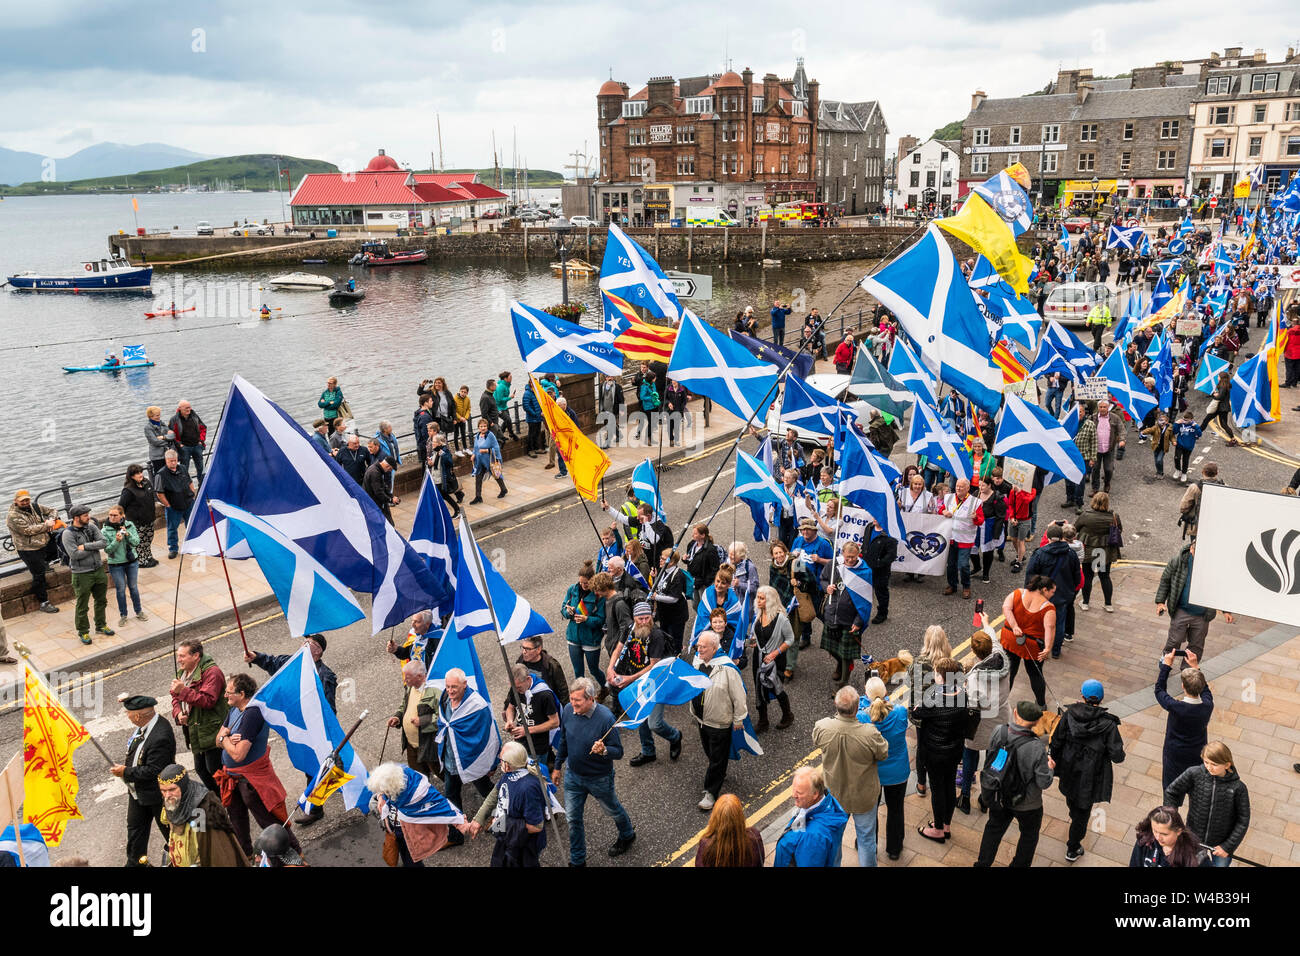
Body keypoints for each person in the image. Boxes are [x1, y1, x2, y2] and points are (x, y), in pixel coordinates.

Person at [245, 633, 337, 825]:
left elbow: (329, 709)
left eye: (309, 643)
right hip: (298, 726)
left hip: (314, 729)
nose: (304, 644)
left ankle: (316, 808)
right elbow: (273, 662)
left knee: (316, 768)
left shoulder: (325, 675)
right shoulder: (293, 663)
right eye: (304, 641)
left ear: (318, 651)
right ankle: (333, 779)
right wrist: (257, 657)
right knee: (318, 766)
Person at [216, 672, 303, 859]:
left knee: (269, 821)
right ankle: (246, 856)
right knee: (237, 820)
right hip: (233, 779)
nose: (225, 696)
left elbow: (239, 755)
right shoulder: (233, 710)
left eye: (229, 692)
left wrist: (225, 739)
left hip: (251, 782)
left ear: (241, 694)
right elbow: (217, 739)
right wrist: (227, 739)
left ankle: (295, 855)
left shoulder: (252, 714)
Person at [551, 677, 636, 866]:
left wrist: (604, 750)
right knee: (573, 819)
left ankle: (628, 834)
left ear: (591, 699)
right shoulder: (567, 710)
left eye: (577, 701)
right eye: (571, 700)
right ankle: (578, 860)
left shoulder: (606, 719)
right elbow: (564, 740)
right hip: (573, 777)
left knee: (613, 810)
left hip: (599, 779)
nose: (573, 705)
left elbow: (619, 752)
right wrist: (557, 767)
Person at [1050, 679, 1126, 862]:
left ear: (1082, 696)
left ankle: (1074, 820)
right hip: (1092, 775)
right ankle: (1073, 847)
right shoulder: (1109, 725)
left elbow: (1056, 742)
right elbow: (1118, 756)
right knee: (1082, 812)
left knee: (1072, 801)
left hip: (1069, 769)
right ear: (1101, 699)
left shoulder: (1069, 716)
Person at [973, 700, 1056, 867]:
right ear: (1037, 722)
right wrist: (1051, 768)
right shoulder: (1037, 747)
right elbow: (1043, 782)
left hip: (999, 794)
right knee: (1029, 836)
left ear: (1016, 713)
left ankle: (982, 864)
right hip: (1027, 803)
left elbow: (993, 758)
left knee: (993, 829)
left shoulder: (999, 731)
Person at [813, 685, 889, 867]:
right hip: (864, 796)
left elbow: (816, 741)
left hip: (836, 796)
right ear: (857, 708)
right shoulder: (869, 733)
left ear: (836, 705)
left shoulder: (822, 727)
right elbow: (883, 753)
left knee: (834, 840)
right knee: (867, 840)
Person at [912, 657, 978, 844]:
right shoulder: (963, 695)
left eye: (935, 672)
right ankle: (946, 825)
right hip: (955, 750)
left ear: (940, 678)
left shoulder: (934, 699)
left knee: (937, 789)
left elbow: (916, 712)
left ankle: (938, 829)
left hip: (935, 753)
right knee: (949, 786)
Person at [611, 602, 683, 765]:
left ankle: (675, 736)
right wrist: (610, 669)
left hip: (655, 682)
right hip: (638, 680)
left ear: (651, 617)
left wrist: (629, 679)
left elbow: (653, 665)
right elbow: (618, 648)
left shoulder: (656, 635)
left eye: (647, 618)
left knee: (654, 723)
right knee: (640, 716)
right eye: (640, 618)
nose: (643, 621)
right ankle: (648, 751)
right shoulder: (630, 629)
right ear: (634, 618)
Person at [110, 694, 175, 867]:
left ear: (138, 716)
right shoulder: (144, 727)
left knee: (172, 834)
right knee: (135, 833)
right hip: (138, 793)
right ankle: (135, 863)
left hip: (157, 795)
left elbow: (154, 770)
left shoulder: (160, 735)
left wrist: (126, 772)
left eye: (128, 713)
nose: (127, 716)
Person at [1164, 741, 1251, 868]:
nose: (1209, 767)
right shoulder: (1194, 774)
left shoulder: (1238, 788)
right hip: (1193, 837)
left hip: (1222, 843)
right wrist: (1172, 820)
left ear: (1227, 764)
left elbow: (1243, 820)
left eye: (1214, 764)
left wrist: (1228, 846)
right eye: (1206, 762)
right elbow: (1171, 792)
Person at [368, 762, 467, 866]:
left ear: (393, 787)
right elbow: (382, 792)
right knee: (407, 861)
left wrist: (462, 824)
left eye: (385, 791)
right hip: (398, 834)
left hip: (411, 836)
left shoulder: (418, 794)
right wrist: (380, 796)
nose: (384, 793)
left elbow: (442, 806)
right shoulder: (390, 789)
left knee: (412, 863)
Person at [691, 629, 748, 811]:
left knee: (716, 757)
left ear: (715, 648)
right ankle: (719, 773)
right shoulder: (697, 660)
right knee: (710, 753)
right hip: (701, 720)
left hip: (720, 722)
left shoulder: (728, 668)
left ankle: (711, 791)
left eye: (703, 647)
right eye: (698, 645)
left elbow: (739, 696)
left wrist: (739, 719)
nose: (699, 649)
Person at [467, 741, 548, 867]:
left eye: (501, 760)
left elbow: (536, 826)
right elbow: (494, 795)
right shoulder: (508, 775)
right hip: (508, 837)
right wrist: (479, 819)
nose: (499, 762)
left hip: (523, 846)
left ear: (508, 765)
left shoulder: (528, 789)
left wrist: (500, 824)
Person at [157, 764, 249, 867]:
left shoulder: (202, 807)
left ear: (183, 786)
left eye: (172, 789)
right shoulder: (172, 800)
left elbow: (207, 845)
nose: (167, 795)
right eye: (163, 791)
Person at [1156, 539, 1234, 661]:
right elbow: (1165, 580)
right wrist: (1160, 602)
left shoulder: (1215, 565)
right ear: (1192, 549)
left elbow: (1220, 587)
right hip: (1181, 609)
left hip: (1202, 614)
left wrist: (1226, 610)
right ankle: (1165, 661)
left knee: (1196, 645)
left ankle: (1189, 671)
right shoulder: (1178, 561)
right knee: (1174, 640)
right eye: (1195, 551)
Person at [436, 669, 498, 819]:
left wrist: (492, 763)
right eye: (447, 686)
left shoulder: (477, 706)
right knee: (450, 795)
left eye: (454, 687)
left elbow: (488, 736)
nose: (450, 691)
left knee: (486, 790)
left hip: (471, 761)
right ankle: (457, 830)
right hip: (451, 761)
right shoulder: (444, 699)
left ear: (464, 684)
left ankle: (503, 817)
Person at [962, 626, 1012, 814]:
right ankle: (986, 797)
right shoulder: (1001, 658)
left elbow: (973, 704)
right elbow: (995, 639)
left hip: (981, 722)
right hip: (1001, 718)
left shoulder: (975, 677)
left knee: (970, 754)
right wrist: (987, 623)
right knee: (996, 758)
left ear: (974, 652)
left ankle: (965, 797)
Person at [170, 638, 229, 794]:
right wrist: (178, 714)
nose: (178, 660)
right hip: (196, 730)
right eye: (178, 656)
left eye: (182, 656)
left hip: (212, 730)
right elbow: (175, 696)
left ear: (196, 656)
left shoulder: (212, 673)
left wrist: (183, 691)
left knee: (215, 771)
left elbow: (208, 700)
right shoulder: (183, 671)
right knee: (201, 769)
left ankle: (228, 801)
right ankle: (219, 800)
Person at [861, 676, 909, 860]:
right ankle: (894, 848)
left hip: (873, 773)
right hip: (898, 772)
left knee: (870, 812)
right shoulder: (900, 712)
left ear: (866, 695)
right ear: (886, 693)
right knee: (896, 809)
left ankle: (869, 845)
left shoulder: (863, 717)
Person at [1155, 648, 1214, 789]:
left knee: (1170, 791)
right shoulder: (1207, 705)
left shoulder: (1175, 707)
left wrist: (1166, 666)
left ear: (1183, 686)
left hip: (1174, 755)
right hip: (1196, 754)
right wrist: (1195, 667)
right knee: (1195, 791)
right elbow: (1205, 689)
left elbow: (1159, 690)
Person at [999, 576, 1058, 708]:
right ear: (1044, 589)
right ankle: (1041, 704)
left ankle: (1001, 702)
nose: (1053, 595)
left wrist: (1014, 626)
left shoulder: (1017, 593)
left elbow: (1006, 608)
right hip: (1032, 647)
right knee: (1035, 675)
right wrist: (1048, 648)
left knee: (1009, 672)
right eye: (1052, 592)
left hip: (1011, 640)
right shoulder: (1049, 608)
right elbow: (1050, 628)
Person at [773, 765, 848, 867]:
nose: (793, 795)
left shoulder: (813, 838)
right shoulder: (825, 801)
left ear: (815, 794)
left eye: (799, 792)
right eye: (793, 789)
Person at [1023, 522, 1079, 659]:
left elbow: (1030, 575)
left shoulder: (1040, 553)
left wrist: (1029, 593)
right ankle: (1055, 651)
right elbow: (1076, 575)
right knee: (1058, 623)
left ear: (1048, 537)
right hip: (1062, 595)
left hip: (1042, 596)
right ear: (1061, 537)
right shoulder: (1071, 554)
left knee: (1040, 623)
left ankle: (1040, 648)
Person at [62, 505, 112, 644]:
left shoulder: (92, 527)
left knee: (101, 600)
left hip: (98, 570)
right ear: (76, 518)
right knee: (82, 605)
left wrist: (86, 546)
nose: (88, 517)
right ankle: (83, 632)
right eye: (85, 515)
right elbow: (74, 554)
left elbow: (104, 542)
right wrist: (94, 547)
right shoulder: (68, 534)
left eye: (88, 514)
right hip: (81, 574)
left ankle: (101, 626)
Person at [820, 541, 868, 683]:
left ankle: (843, 683)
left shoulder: (864, 572)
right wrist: (826, 588)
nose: (851, 560)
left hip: (850, 619)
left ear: (858, 554)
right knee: (833, 650)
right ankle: (840, 664)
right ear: (842, 554)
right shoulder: (834, 565)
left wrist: (859, 621)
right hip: (832, 615)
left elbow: (865, 601)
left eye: (853, 557)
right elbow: (822, 579)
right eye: (848, 557)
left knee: (847, 655)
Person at [7, 489, 61, 613]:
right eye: (22, 501)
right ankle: (44, 602)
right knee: (39, 575)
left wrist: (52, 519)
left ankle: (44, 563)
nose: (25, 502)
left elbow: (53, 510)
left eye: (27, 499)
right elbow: (27, 530)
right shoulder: (13, 516)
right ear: (15, 501)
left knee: (59, 547)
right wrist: (47, 525)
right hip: (28, 549)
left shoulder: (35, 506)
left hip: (43, 543)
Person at [748, 586, 794, 731]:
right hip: (759, 657)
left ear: (770, 600)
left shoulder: (781, 618)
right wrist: (755, 641)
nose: (758, 601)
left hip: (775, 660)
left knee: (776, 687)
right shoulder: (759, 613)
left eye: (762, 598)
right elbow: (759, 633)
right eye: (758, 597)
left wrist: (775, 653)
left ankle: (787, 715)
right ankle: (763, 721)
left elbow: (790, 639)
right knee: (758, 686)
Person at [388, 659, 442, 783]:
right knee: (417, 779)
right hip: (411, 745)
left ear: (419, 676)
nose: (405, 680)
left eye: (407, 677)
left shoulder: (435, 692)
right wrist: (397, 717)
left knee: (441, 772)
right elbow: (404, 705)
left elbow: (445, 718)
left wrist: (423, 721)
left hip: (429, 745)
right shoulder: (409, 688)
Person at [503, 663, 560, 766]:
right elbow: (511, 707)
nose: (516, 691)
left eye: (519, 688)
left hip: (538, 746)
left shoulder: (544, 695)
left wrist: (528, 730)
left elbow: (555, 722)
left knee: (535, 775)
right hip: (520, 741)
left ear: (528, 679)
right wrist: (510, 720)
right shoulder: (515, 688)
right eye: (514, 688)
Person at [1075, 491, 1120, 612]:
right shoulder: (1113, 516)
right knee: (1105, 576)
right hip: (1103, 551)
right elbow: (1119, 529)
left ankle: (1085, 603)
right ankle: (1108, 604)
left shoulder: (1086, 515)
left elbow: (1075, 528)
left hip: (1089, 550)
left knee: (1088, 576)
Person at [940, 478, 985, 599]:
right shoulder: (949, 498)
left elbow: (980, 521)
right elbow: (940, 509)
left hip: (965, 539)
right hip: (950, 538)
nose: (958, 488)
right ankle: (952, 585)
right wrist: (944, 511)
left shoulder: (975, 502)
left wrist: (975, 517)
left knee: (963, 565)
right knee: (951, 564)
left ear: (968, 488)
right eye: (957, 486)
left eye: (961, 487)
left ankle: (966, 586)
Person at [102, 504, 145, 628]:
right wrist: (117, 541)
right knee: (120, 590)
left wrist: (128, 535)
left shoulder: (129, 525)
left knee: (133, 587)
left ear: (122, 516)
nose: (112, 517)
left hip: (131, 562)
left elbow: (136, 542)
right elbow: (108, 550)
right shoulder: (105, 530)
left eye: (115, 515)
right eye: (110, 515)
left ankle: (139, 611)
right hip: (115, 564)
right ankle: (123, 615)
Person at [1129, 806, 1213, 867]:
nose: (1157, 837)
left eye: (1164, 834)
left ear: (1178, 831)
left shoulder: (1197, 858)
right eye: (1155, 831)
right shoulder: (1146, 840)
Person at [695, 793, 764, 867]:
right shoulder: (754, 837)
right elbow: (760, 861)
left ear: (715, 817)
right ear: (740, 816)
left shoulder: (706, 844)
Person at [153, 449, 195, 559]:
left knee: (191, 525)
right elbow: (159, 493)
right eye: (171, 461)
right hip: (174, 507)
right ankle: (173, 548)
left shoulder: (183, 468)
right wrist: (168, 505)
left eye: (175, 460)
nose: (173, 463)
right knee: (172, 529)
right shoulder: (161, 474)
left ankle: (192, 545)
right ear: (166, 461)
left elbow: (190, 482)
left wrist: (193, 495)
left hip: (188, 502)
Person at [118, 465, 159, 568]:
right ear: (131, 476)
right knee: (139, 542)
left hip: (149, 518)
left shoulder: (147, 483)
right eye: (137, 473)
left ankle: (148, 556)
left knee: (148, 539)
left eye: (141, 472)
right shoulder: (128, 490)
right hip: (136, 522)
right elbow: (121, 506)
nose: (140, 474)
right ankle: (141, 560)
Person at [517, 634, 570, 704]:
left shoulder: (551, 665)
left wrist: (563, 711)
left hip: (547, 705)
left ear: (538, 649)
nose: (524, 652)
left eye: (528, 649)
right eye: (523, 648)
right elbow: (515, 684)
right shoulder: (521, 661)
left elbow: (563, 690)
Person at [863, 518, 898, 623]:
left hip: (881, 570)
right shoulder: (869, 527)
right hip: (866, 566)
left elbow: (891, 555)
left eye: (876, 516)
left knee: (881, 592)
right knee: (864, 590)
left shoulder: (890, 533)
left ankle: (882, 613)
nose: (873, 518)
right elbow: (865, 541)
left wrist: (878, 563)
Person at [1177, 462, 1224, 539]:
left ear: (1202, 472)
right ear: (1217, 473)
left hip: (1196, 525)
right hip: (1215, 524)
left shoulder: (1194, 487)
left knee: (1195, 547)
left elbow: (1183, 506)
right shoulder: (1223, 486)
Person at [469, 418, 508, 503]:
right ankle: (478, 497)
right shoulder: (478, 435)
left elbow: (497, 448)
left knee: (496, 475)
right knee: (478, 477)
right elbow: (476, 447)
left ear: (487, 427)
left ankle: (504, 489)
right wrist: (473, 454)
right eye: (481, 426)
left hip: (490, 460)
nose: (483, 428)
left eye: (484, 426)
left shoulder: (490, 435)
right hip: (480, 461)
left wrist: (486, 450)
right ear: (478, 427)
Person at [167, 400, 206, 481]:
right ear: (180, 408)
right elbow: (171, 434)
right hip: (184, 448)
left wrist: (201, 440)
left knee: (201, 467)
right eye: (186, 408)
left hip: (197, 446)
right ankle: (186, 486)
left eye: (189, 407)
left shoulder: (194, 416)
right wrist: (179, 444)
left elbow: (203, 428)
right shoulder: (174, 419)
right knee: (184, 468)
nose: (189, 409)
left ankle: (202, 483)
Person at [1199, 371, 1239, 445]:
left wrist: (1214, 395)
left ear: (1221, 378)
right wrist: (1216, 394)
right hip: (1222, 408)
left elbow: (1220, 397)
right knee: (1219, 423)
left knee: (1210, 421)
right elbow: (1221, 395)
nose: (1217, 378)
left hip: (1220, 408)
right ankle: (1197, 434)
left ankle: (1196, 434)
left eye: (1218, 376)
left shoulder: (1222, 386)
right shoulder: (1225, 385)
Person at [362, 456, 398, 522]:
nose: (389, 471)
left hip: (374, 503)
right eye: (390, 469)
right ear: (388, 466)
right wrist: (390, 500)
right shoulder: (375, 473)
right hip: (375, 505)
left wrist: (391, 496)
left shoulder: (375, 469)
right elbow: (378, 492)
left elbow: (382, 486)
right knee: (387, 524)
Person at [1141, 411, 1175, 479]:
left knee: (1159, 460)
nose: (1162, 422)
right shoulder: (1156, 427)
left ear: (1167, 421)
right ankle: (1158, 472)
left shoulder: (1169, 428)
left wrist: (1174, 441)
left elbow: (1172, 436)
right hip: (1156, 446)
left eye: (1164, 420)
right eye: (1160, 420)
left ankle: (1161, 472)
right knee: (1156, 460)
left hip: (1163, 447)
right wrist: (1143, 432)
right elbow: (1150, 430)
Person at [1171, 410, 1202, 482]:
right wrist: (1176, 424)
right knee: (1177, 458)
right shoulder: (1180, 424)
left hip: (1189, 447)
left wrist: (1196, 427)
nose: (1184, 421)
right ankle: (1178, 470)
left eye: (1186, 420)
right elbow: (1174, 432)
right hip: (1180, 444)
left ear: (1191, 419)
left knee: (1185, 460)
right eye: (1184, 419)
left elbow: (1200, 434)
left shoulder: (1194, 426)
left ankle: (1184, 473)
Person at [143, 405, 173, 477]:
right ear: (151, 416)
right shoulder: (148, 428)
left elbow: (172, 435)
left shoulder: (162, 424)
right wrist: (168, 441)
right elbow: (155, 441)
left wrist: (163, 437)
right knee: (160, 475)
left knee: (169, 474)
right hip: (157, 456)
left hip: (166, 454)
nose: (159, 417)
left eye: (159, 415)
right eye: (157, 415)